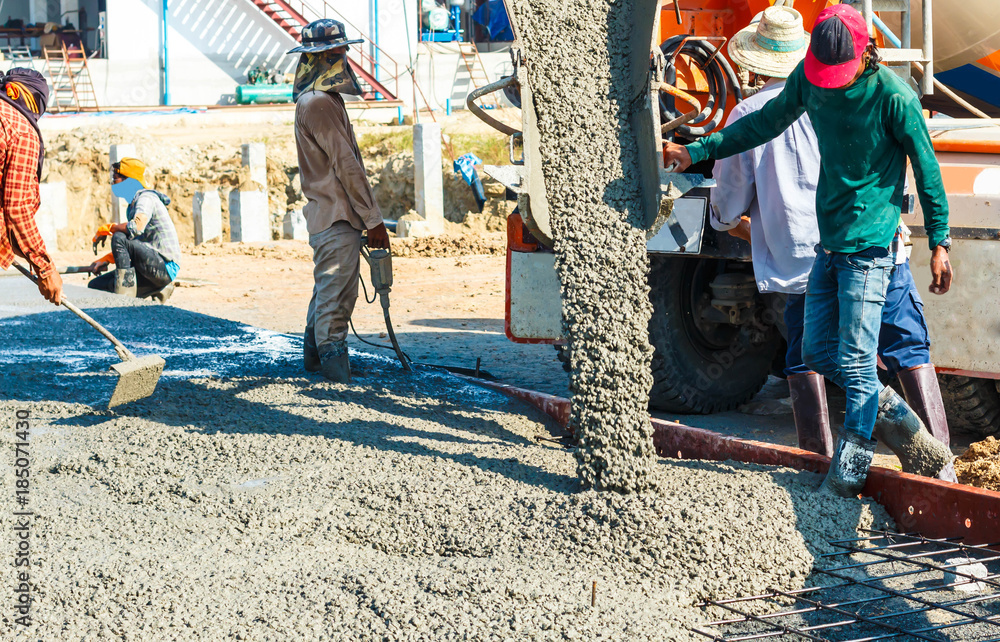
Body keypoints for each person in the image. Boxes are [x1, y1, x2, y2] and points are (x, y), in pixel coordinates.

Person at [665, 4, 954, 496]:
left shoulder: (894, 99)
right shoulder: (810, 82)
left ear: (868, 54)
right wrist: (695, 152)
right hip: (827, 247)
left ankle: (848, 477)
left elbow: (928, 173)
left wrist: (941, 241)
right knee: (818, 352)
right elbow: (759, 126)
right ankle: (906, 428)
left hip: (870, 249)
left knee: (862, 362)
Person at [288, 19, 391, 383]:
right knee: (337, 296)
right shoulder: (318, 104)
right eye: (335, 53)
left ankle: (316, 362)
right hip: (336, 216)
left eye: (342, 51)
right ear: (317, 59)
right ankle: (334, 375)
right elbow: (346, 164)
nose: (343, 58)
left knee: (327, 290)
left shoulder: (321, 100)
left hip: (331, 216)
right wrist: (374, 219)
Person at [0, 68, 61, 305]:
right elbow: (16, 208)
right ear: (14, 91)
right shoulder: (21, 128)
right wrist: (45, 269)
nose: (33, 117)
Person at [88, 157, 180, 302]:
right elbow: (131, 246)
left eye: (115, 179)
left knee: (118, 236)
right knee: (96, 286)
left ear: (129, 180)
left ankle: (124, 296)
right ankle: (158, 288)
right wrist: (106, 259)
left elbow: (136, 227)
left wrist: (110, 228)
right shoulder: (133, 207)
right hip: (150, 267)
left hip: (164, 267)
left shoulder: (146, 198)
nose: (113, 184)